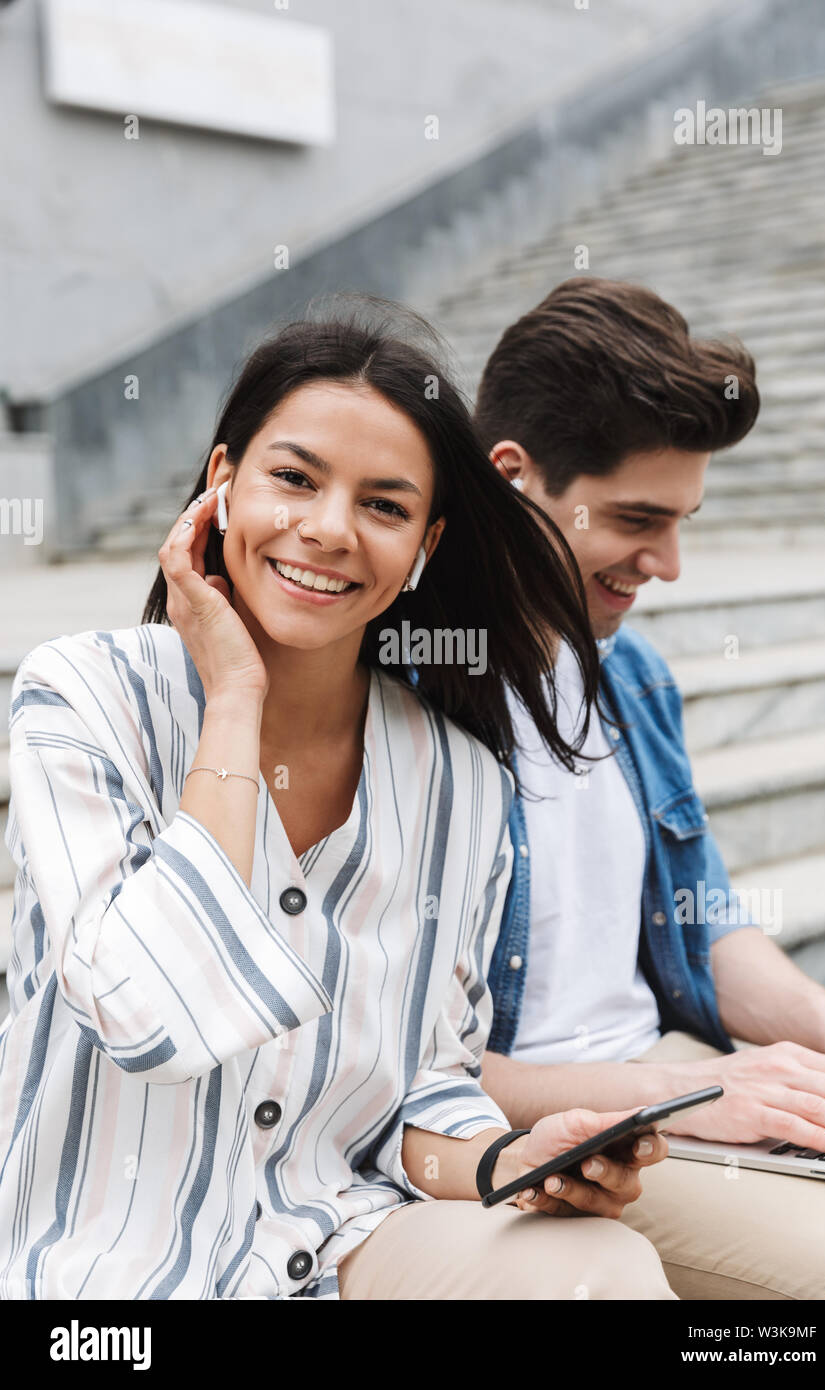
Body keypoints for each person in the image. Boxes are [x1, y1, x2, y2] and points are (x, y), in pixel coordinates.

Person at [0, 303, 673, 1301]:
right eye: (294, 478)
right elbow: (153, 1014)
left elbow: (426, 1083)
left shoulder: (459, 779)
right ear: (222, 484)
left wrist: (510, 1160)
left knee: (598, 1269)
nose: (326, 528)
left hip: (335, 1243)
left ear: (425, 544)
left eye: (384, 505)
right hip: (102, 1275)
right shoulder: (82, 698)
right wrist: (233, 697)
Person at [474, 276, 825, 1300]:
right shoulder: (406, 694)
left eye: (684, 519)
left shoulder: (631, 674)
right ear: (512, 480)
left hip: (673, 1075)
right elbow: (400, 1068)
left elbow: (702, 924)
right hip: (551, 1133)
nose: (670, 563)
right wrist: (682, 1091)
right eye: (640, 519)